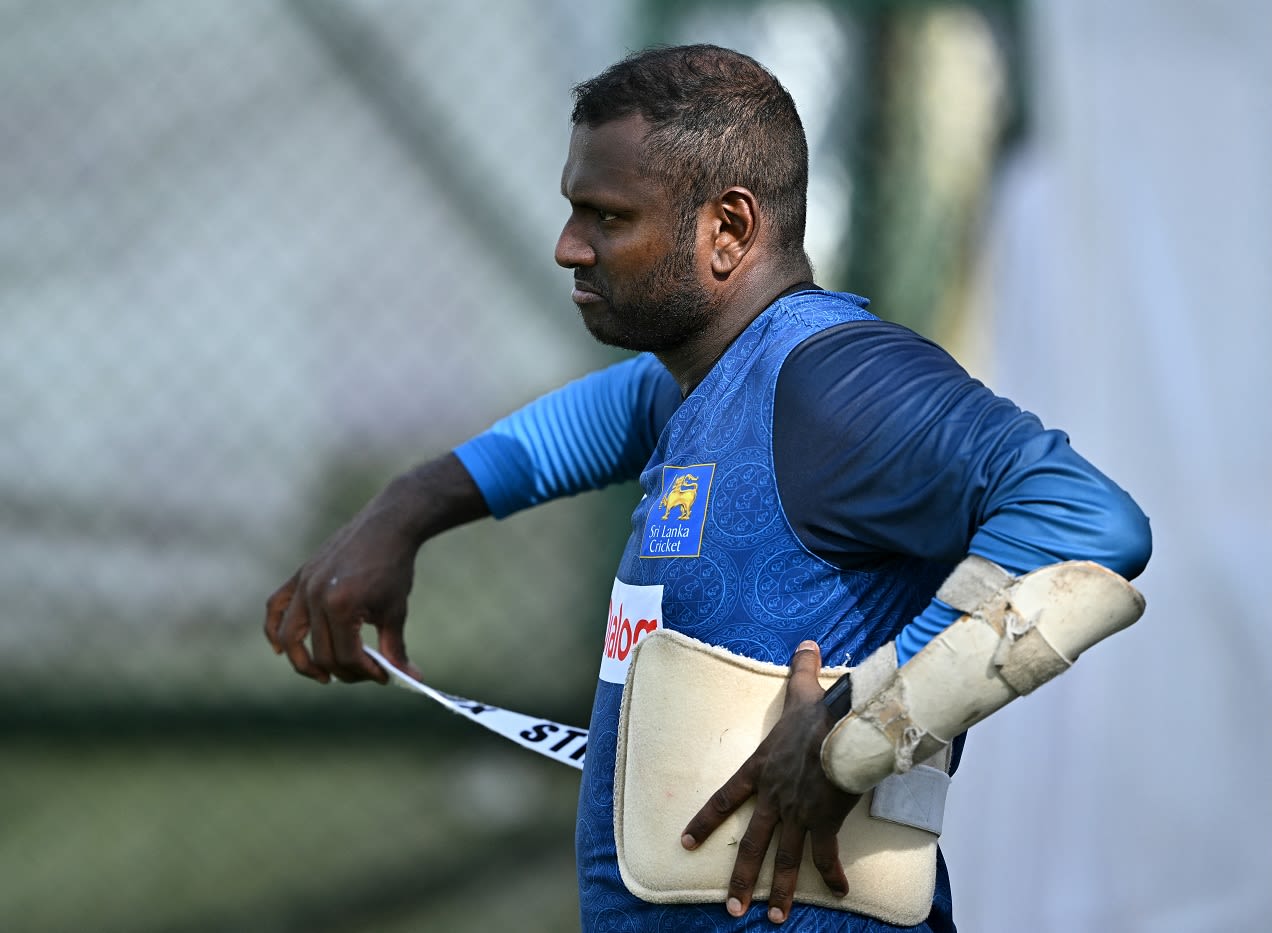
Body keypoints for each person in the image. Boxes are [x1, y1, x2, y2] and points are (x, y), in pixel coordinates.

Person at [263, 44, 1152, 932]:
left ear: (728, 229)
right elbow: (595, 420)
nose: (569, 245)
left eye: (606, 216)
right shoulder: (706, 379)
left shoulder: (835, 385)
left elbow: (1088, 522)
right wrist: (403, 512)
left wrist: (861, 727)